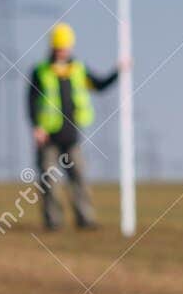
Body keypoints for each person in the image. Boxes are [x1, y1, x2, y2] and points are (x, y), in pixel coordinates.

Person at [27, 22, 124, 231]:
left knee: (79, 178)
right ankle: (53, 222)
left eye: (66, 46)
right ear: (53, 47)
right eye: (59, 46)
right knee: (49, 180)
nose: (63, 50)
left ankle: (85, 219)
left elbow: (99, 85)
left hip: (71, 137)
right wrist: (37, 127)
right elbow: (31, 101)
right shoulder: (40, 71)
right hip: (48, 138)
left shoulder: (78, 69)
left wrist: (119, 71)